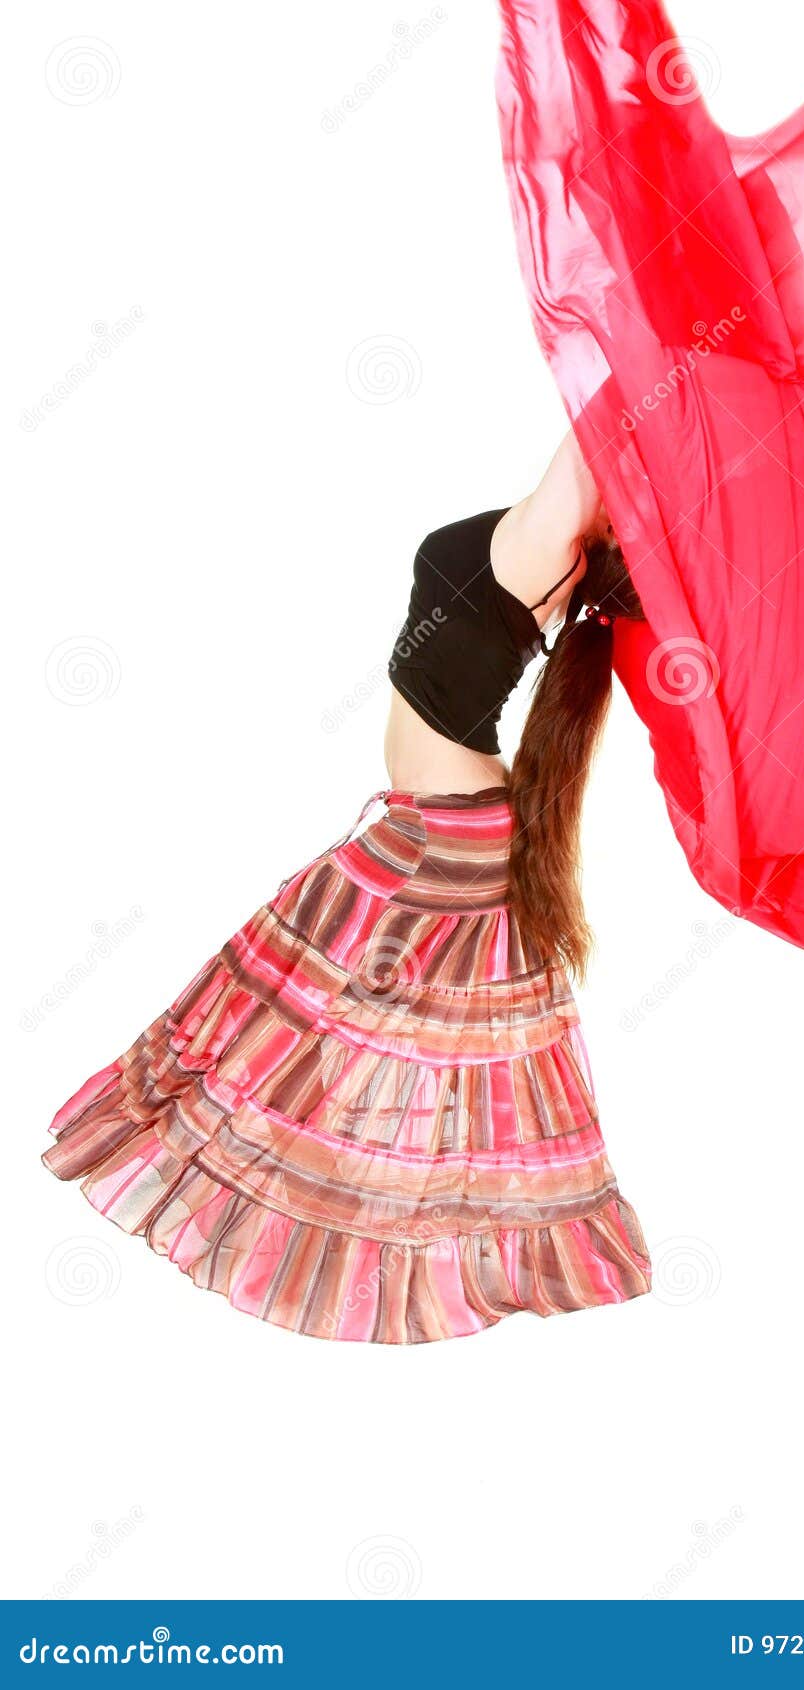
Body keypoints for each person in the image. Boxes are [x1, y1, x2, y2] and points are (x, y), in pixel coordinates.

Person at [43, 432, 652, 1345]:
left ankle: (403, 1250)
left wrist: (644, 312)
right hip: (450, 829)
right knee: (383, 1044)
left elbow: (600, 416)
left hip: (441, 841)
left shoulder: (542, 543)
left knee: (319, 1034)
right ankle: (434, 1246)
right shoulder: (550, 551)